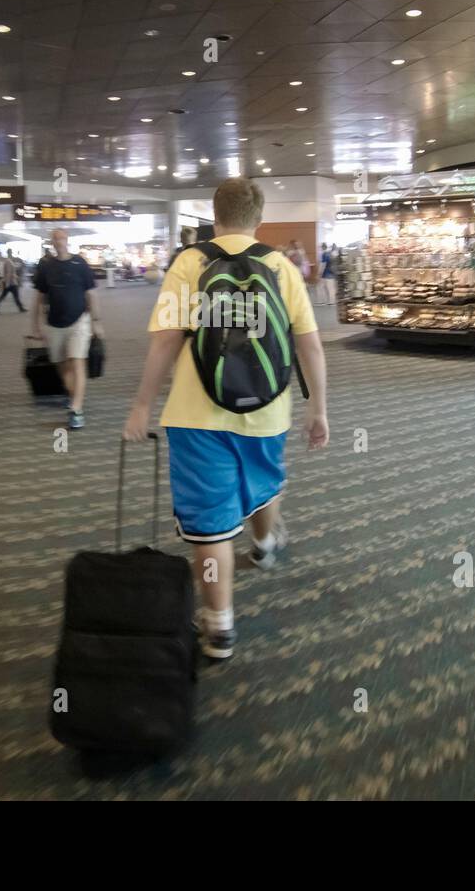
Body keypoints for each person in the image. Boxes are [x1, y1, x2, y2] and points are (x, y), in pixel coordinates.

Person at [124, 178, 328, 661]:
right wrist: (317, 409)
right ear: (259, 217)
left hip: (197, 414)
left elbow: (166, 341)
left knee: (211, 525)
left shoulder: (190, 263)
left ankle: (220, 627)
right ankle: (263, 545)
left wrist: (141, 405)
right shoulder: (281, 267)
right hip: (267, 410)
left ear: (214, 216)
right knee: (262, 484)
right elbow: (310, 346)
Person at [31, 228, 103, 430]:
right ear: (51, 243)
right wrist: (36, 326)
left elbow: (91, 294)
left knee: (77, 361)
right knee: (62, 366)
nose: (59, 241)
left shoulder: (80, 263)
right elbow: (38, 299)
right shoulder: (46, 266)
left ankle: (76, 409)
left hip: (80, 320)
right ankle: (73, 397)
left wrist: (96, 321)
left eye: (62, 238)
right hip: (54, 323)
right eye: (55, 238)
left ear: (67, 240)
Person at [0, 248, 25, 312]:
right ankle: (21, 308)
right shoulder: (8, 261)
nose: (11, 253)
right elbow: (8, 273)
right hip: (11, 283)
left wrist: (15, 276)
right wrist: (7, 283)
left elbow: (11, 272)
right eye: (11, 252)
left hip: (10, 282)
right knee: (14, 296)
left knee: (5, 296)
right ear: (9, 253)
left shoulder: (9, 260)